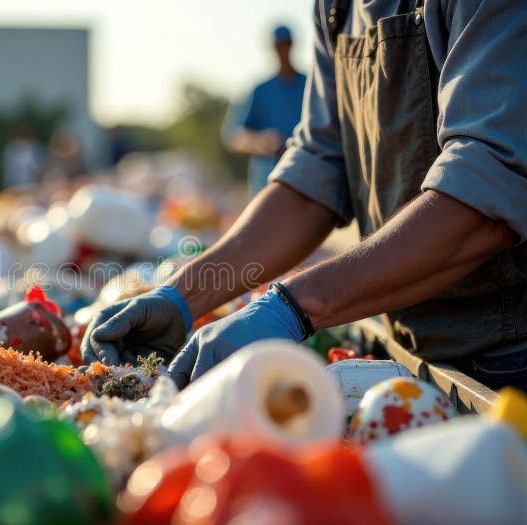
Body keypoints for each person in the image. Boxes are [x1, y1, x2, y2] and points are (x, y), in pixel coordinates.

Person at [82, 0, 527, 393]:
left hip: (507, 351)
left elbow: (488, 185)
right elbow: (320, 166)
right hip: (412, 339)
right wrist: (184, 296)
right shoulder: (336, 7)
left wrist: (293, 306)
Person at [222, 25, 306, 195]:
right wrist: (261, 142)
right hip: (267, 185)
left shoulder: (310, 86)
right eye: (278, 45)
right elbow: (233, 135)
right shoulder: (260, 90)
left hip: (307, 182)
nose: (282, 50)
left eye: (286, 44)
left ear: (292, 45)